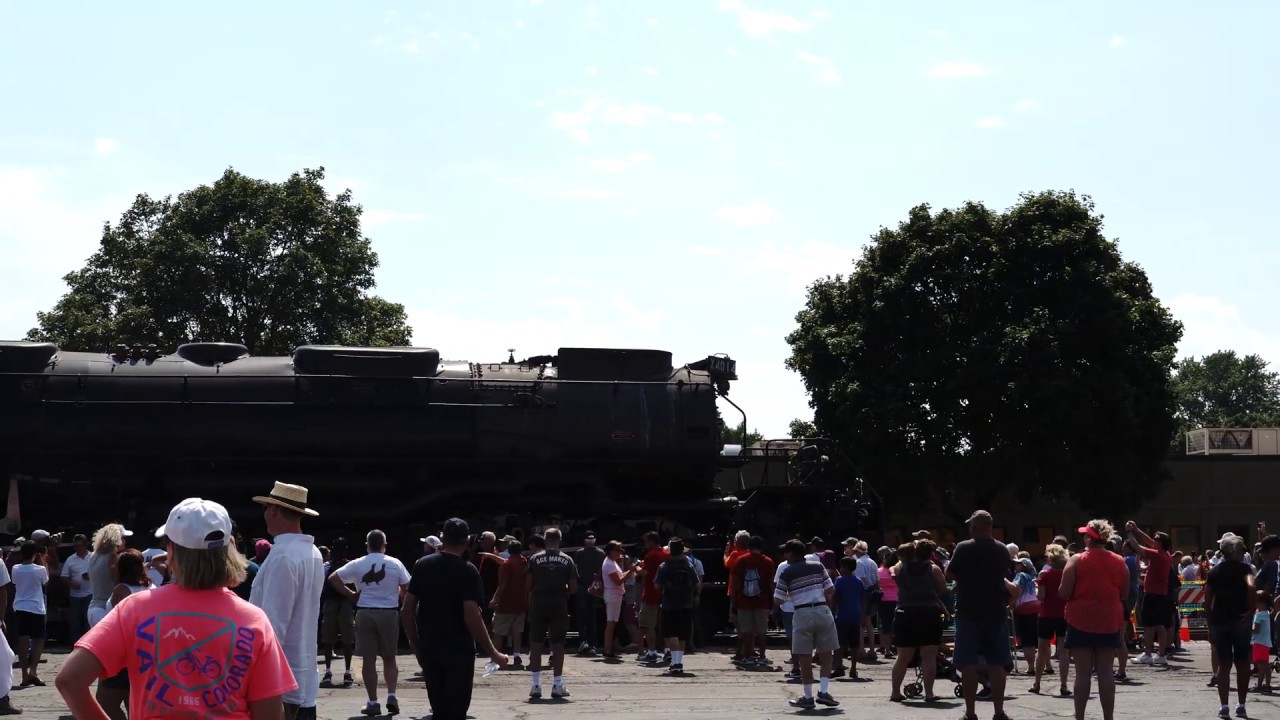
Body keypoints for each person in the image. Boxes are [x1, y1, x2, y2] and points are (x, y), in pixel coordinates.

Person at [55, 497, 297, 720]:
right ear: (228, 549)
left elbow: (69, 680)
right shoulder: (254, 620)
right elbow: (270, 713)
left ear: (170, 549)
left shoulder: (135, 609)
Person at [401, 518, 508, 720]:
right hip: (459, 650)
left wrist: (416, 646)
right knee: (457, 712)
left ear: (443, 539)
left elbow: (406, 610)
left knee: (439, 711)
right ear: (467, 541)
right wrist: (493, 651)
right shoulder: (468, 570)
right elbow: (471, 615)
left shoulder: (422, 566)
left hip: (430, 648)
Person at [250, 482, 325, 720]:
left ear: (273, 510)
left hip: (279, 684)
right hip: (302, 675)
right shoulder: (313, 552)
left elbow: (273, 625)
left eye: (266, 508)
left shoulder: (283, 555)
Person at [329, 530, 411, 717]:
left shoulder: (358, 563)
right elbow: (407, 585)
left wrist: (351, 595)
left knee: (368, 659)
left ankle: (373, 702)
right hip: (389, 613)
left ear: (367, 545)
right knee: (389, 658)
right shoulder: (395, 563)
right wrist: (397, 594)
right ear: (385, 545)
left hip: (365, 612)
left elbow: (333, 578)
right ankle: (391, 695)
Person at [946, 510, 1018, 720]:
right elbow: (1002, 575)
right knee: (997, 663)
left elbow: (950, 573)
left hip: (968, 611)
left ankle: (970, 713)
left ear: (974, 526)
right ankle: (999, 712)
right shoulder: (1002, 550)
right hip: (995, 611)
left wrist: (965, 576)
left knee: (968, 663)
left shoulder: (964, 547)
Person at [1060, 519, 1129, 720]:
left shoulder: (1076, 560)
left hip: (1080, 619)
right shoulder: (1119, 561)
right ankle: (1109, 717)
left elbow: (1064, 592)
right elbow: (1124, 594)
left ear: (1090, 538)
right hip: (1109, 620)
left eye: (1085, 534)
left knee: (1082, 674)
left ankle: (1079, 717)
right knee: (1106, 672)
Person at [773, 539, 840, 710]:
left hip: (802, 613)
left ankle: (808, 696)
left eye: (786, 552)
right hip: (823, 611)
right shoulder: (818, 566)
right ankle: (824, 691)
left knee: (804, 656)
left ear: (791, 553)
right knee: (826, 653)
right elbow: (830, 589)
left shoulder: (786, 572)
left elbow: (778, 599)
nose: (784, 556)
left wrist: (792, 594)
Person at [95, 549, 152, 720]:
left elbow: (123, 625)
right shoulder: (150, 587)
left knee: (105, 702)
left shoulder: (122, 590)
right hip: (144, 653)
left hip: (121, 654)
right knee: (132, 703)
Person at [890, 540, 947, 702]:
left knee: (902, 656)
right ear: (930, 554)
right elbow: (943, 589)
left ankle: (895, 692)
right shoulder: (934, 569)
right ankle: (929, 693)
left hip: (904, 612)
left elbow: (893, 572)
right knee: (929, 656)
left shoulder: (901, 568)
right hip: (928, 612)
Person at [1205, 534, 1255, 718]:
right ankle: (1241, 704)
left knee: (1224, 665)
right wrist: (1250, 611)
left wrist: (1210, 625)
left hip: (1220, 621)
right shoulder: (1246, 569)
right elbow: (1251, 587)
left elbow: (1207, 600)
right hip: (1240, 621)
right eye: (1242, 550)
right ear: (1236, 551)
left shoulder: (1214, 572)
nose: (1244, 553)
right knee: (1242, 664)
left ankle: (1224, 706)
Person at [526, 527, 577, 699]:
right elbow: (574, 587)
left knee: (536, 643)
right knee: (558, 644)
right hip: (558, 602)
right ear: (560, 540)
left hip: (539, 602)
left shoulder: (534, 558)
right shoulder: (567, 559)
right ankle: (557, 684)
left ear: (545, 540)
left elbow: (528, 585)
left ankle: (535, 685)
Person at [654, 538, 699, 676]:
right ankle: (679, 662)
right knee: (682, 635)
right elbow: (697, 582)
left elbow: (656, 585)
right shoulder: (689, 564)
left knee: (671, 634)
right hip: (686, 604)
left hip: (669, 604)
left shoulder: (664, 565)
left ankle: (675, 663)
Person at [1252, 590, 1272, 692]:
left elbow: (1256, 629)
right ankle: (1267, 684)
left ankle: (1259, 685)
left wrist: (1247, 629)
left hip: (1259, 642)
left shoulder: (1259, 615)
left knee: (1261, 665)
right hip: (1266, 642)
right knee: (1266, 665)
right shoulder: (1267, 614)